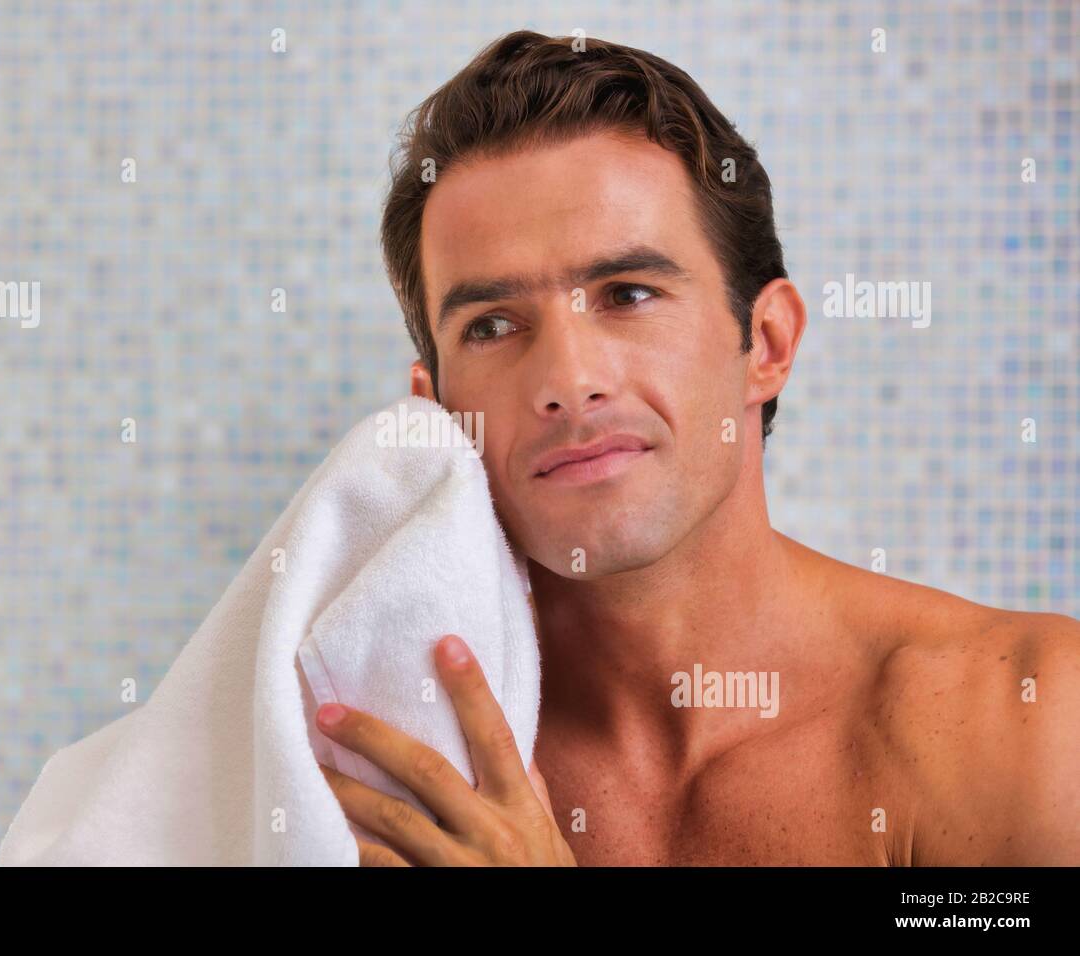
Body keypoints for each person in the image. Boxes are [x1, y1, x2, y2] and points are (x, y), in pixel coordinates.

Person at [311, 30, 1080, 866]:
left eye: (628, 294)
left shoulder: (1022, 722)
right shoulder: (365, 752)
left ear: (766, 343)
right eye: (492, 325)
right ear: (436, 413)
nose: (567, 379)